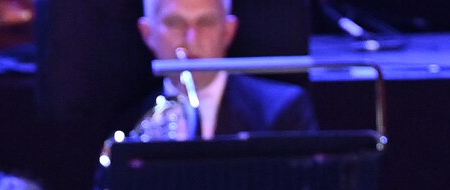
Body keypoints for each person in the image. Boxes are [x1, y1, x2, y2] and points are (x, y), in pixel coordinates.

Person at [132, 0, 316, 138]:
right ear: (147, 32)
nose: (191, 39)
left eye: (206, 22)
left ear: (228, 31)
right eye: (174, 23)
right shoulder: (130, 123)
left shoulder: (283, 111)